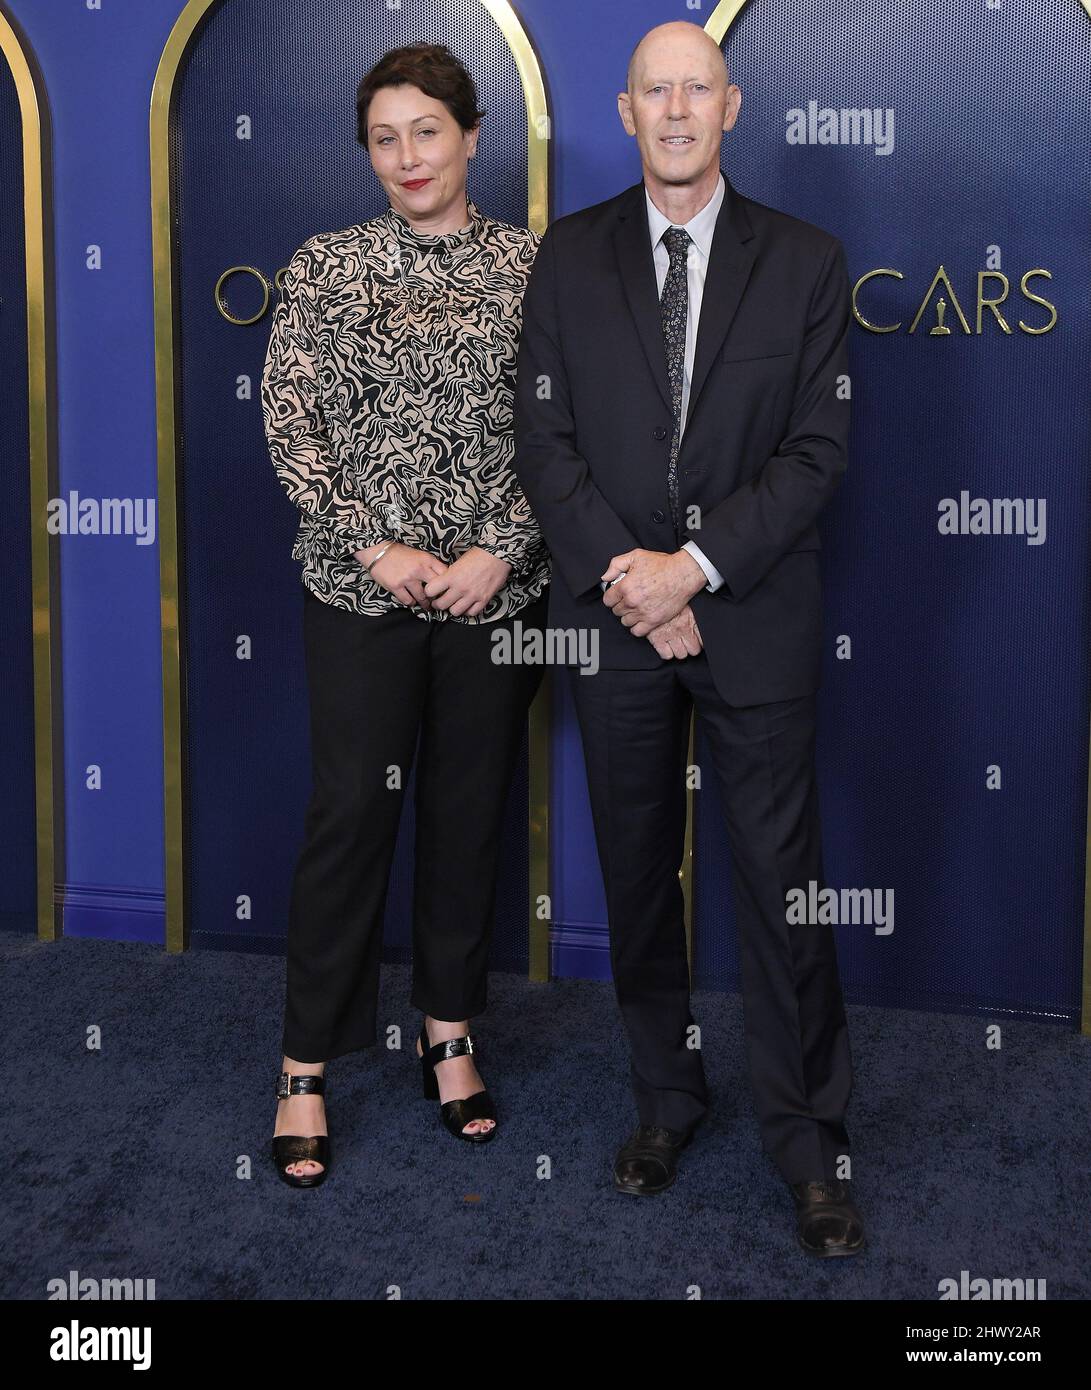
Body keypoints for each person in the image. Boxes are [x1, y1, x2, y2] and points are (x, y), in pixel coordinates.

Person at [513, 20, 864, 1255]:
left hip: (749, 616)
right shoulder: (563, 259)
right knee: (635, 875)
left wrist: (693, 572)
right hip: (611, 623)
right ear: (623, 112)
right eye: (653, 90)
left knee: (781, 892)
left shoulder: (808, 262)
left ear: (730, 106)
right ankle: (666, 1096)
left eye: (694, 89)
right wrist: (630, 579)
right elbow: (543, 443)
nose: (674, 109)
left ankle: (809, 1142)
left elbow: (815, 452)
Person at [261, 42, 549, 1187]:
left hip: (492, 594)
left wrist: (496, 547)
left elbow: (559, 427)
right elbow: (291, 424)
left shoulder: (536, 270)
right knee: (348, 817)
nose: (406, 157)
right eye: (384, 138)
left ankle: (449, 1034)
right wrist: (374, 546)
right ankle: (302, 1066)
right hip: (356, 588)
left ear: (471, 136)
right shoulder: (324, 266)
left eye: (426, 131)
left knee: (467, 813)